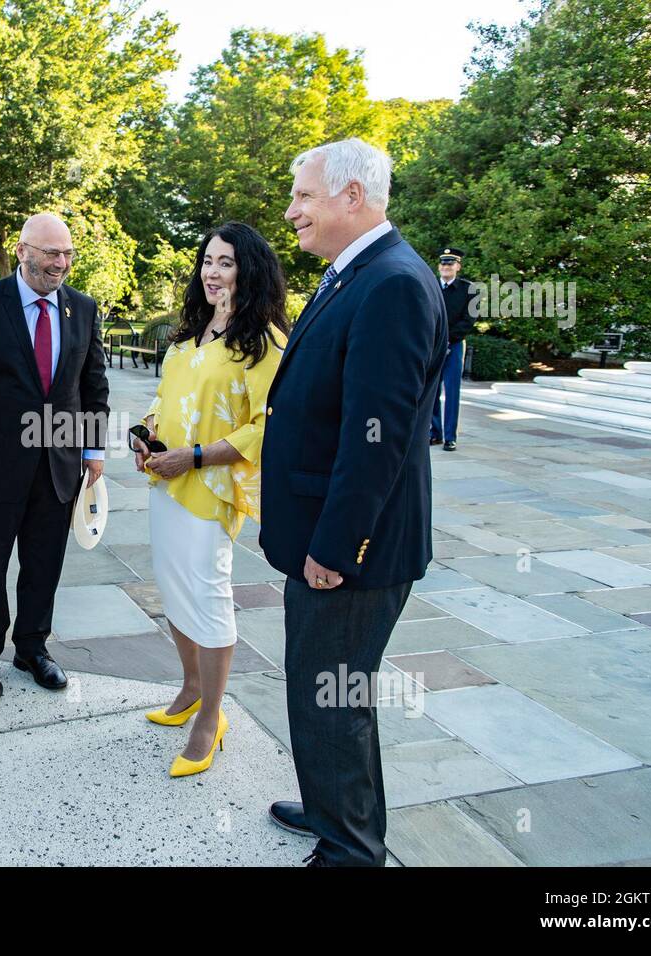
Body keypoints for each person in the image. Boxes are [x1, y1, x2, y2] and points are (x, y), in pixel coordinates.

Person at [260, 138, 446, 866]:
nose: (291, 209)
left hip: (352, 551)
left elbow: (379, 441)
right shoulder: (357, 273)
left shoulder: (392, 282)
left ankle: (350, 852)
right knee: (324, 690)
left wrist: (337, 550)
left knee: (332, 696)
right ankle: (334, 807)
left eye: (303, 195)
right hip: (329, 536)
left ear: (352, 198)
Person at [132, 222, 287, 778]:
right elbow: (165, 397)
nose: (212, 272)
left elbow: (268, 425)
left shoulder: (263, 343)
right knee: (173, 589)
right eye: (207, 262)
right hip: (164, 481)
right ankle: (192, 688)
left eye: (225, 262)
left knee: (207, 594)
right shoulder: (189, 334)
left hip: (210, 489)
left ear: (249, 269)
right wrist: (144, 433)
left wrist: (194, 457)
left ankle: (212, 717)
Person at [0, 213, 110, 703]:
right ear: (22, 251)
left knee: (45, 562)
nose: (61, 263)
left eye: (68, 254)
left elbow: (92, 386)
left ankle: (32, 648)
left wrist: (94, 449)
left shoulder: (83, 308)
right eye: (52, 253)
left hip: (59, 464)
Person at [429, 246, 477, 451]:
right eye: (442, 263)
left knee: (452, 392)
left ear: (458, 266)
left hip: (454, 345)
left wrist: (448, 340)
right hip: (432, 345)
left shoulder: (470, 289)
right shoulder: (430, 285)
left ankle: (450, 436)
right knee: (431, 390)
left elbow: (469, 320)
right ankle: (435, 432)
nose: (445, 267)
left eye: (450, 263)